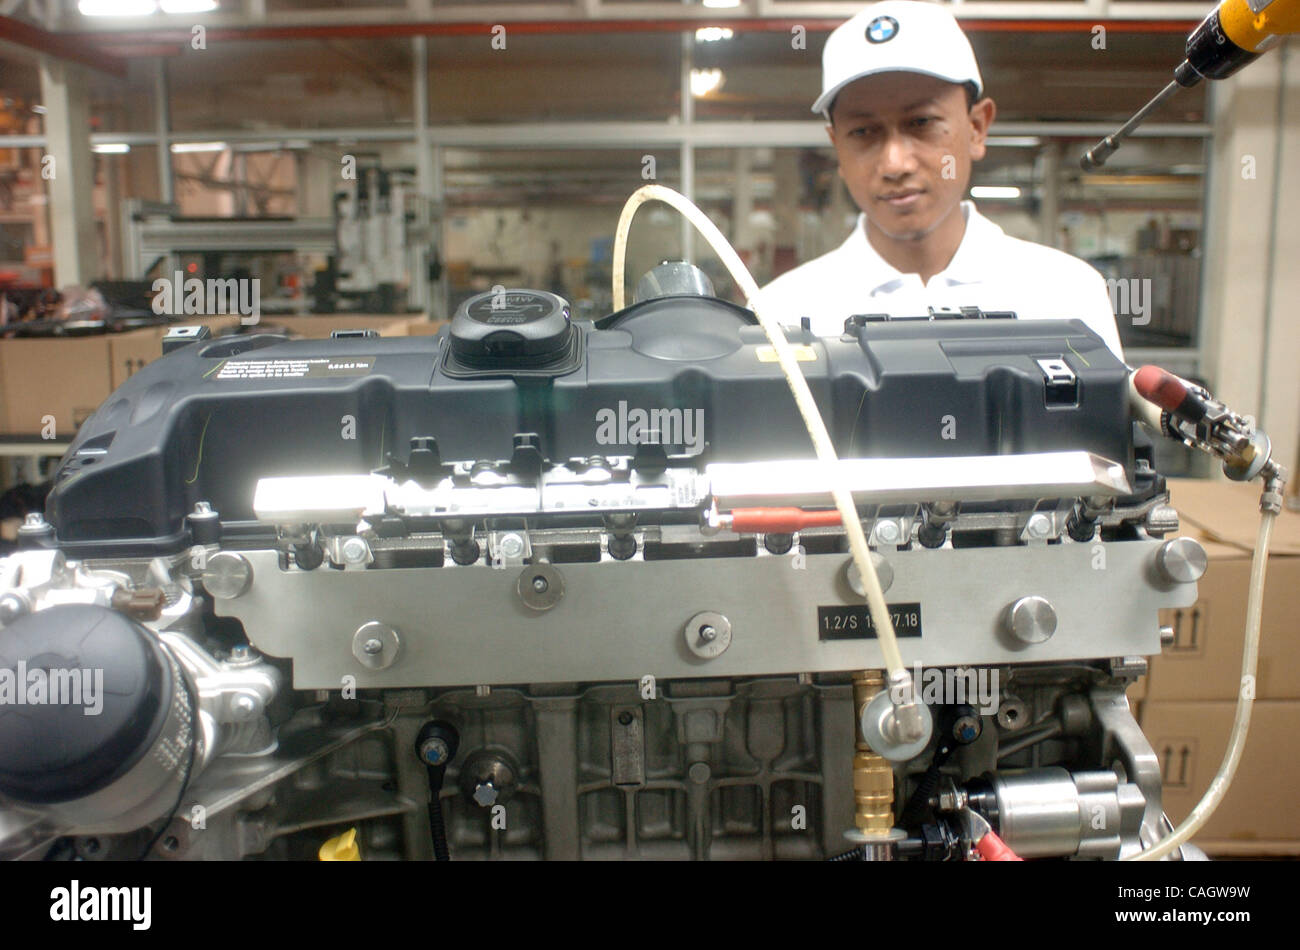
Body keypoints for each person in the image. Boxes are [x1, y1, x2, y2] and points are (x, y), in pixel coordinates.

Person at [749, 0, 1125, 360]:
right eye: (864, 132)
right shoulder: (780, 314)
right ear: (837, 148)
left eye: (921, 123)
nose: (895, 164)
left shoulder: (1064, 296)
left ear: (977, 128)